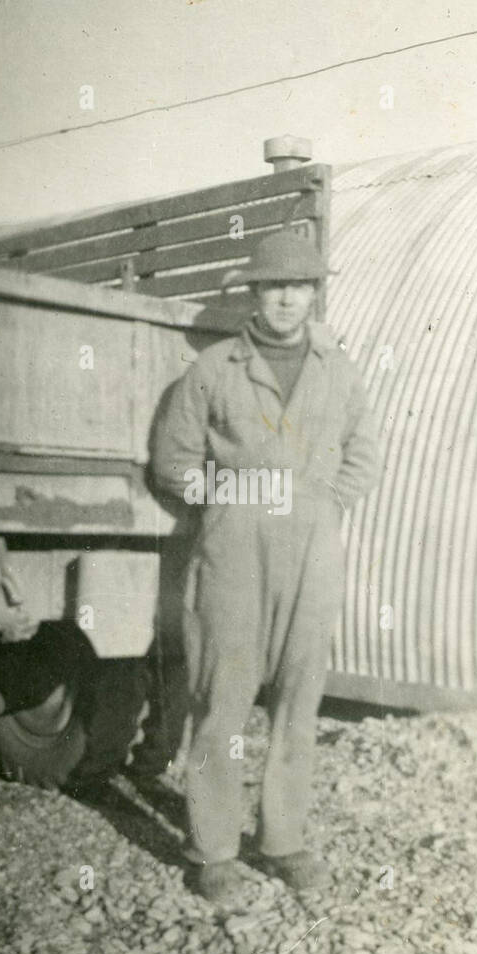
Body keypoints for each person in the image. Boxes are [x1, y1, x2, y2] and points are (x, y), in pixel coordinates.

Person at [151, 228, 383, 909]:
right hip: (234, 549)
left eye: (300, 286)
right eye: (274, 285)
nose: (286, 298)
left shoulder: (338, 369)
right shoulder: (214, 369)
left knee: (299, 697)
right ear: (254, 293)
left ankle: (283, 840)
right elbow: (172, 463)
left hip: (312, 548)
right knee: (221, 697)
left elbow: (364, 454)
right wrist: (231, 501)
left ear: (315, 293)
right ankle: (213, 848)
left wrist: (320, 505)